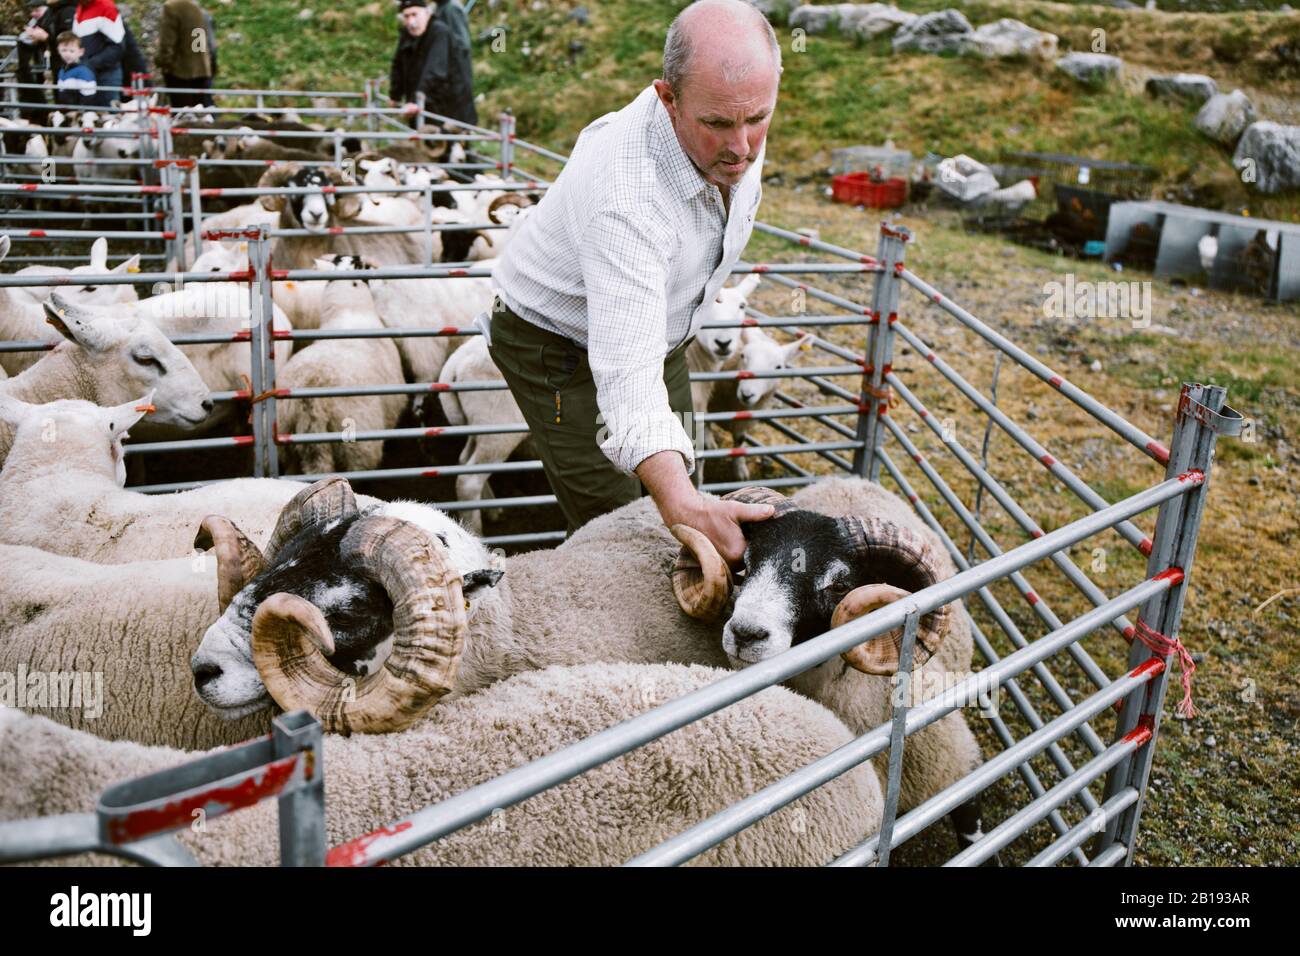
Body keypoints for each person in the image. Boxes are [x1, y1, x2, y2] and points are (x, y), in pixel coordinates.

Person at [485, 0, 780, 558]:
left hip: (662, 331)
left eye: (759, 118)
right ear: (668, 99)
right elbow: (626, 374)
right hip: (555, 344)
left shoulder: (730, 117)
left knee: (684, 468)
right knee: (626, 529)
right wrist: (680, 506)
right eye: (718, 123)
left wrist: (684, 496)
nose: (742, 148)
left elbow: (640, 356)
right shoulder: (626, 198)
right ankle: (612, 629)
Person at [388, 0, 478, 127]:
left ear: (427, 13)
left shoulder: (440, 32)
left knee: (445, 142)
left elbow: (435, 70)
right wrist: (395, 95)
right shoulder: (407, 34)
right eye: (406, 16)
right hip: (422, 101)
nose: (411, 22)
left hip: (447, 104)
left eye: (414, 14)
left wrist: (416, 100)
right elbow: (398, 64)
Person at [15, 1, 79, 122]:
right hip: (56, 68)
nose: (33, 13)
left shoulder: (68, 11)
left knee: (68, 106)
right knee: (60, 104)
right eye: (31, 11)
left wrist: (46, 38)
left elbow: (69, 43)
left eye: (37, 10)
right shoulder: (54, 11)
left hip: (68, 67)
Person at [155, 0, 214, 108]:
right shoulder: (195, 5)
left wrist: (163, 62)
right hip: (202, 68)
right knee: (200, 114)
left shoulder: (171, 7)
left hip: (181, 71)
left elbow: (167, 43)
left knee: (182, 117)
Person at [71, 0, 125, 105]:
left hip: (105, 77)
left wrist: (89, 64)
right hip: (85, 77)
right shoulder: (80, 8)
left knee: (109, 118)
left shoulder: (106, 7)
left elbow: (117, 47)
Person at [53, 30, 98, 107]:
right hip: (66, 109)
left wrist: (79, 112)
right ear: (58, 50)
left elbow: (88, 97)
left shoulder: (83, 71)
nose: (67, 54)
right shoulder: (62, 70)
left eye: (72, 51)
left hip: (80, 113)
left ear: (81, 52)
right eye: (64, 50)